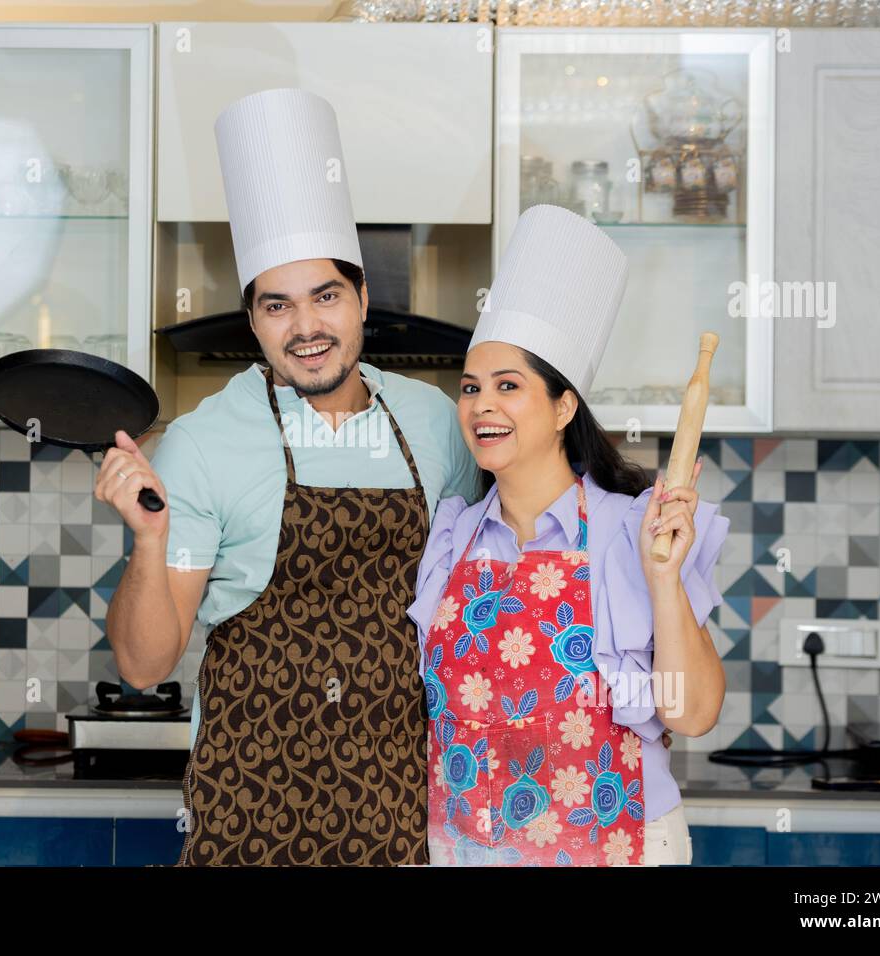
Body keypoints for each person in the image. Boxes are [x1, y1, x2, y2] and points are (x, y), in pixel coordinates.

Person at [94, 88, 483, 865]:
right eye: (278, 306)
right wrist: (148, 540)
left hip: (403, 802)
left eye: (326, 297)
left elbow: (483, 596)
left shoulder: (436, 422)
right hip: (247, 804)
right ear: (253, 320)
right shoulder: (200, 446)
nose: (306, 329)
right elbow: (142, 667)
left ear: (364, 297)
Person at [407, 204, 729, 867]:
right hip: (468, 851)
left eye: (507, 386)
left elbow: (691, 714)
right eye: (470, 388)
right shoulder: (452, 541)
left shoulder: (627, 532)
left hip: (617, 847)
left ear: (563, 405)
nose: (481, 405)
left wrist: (664, 580)